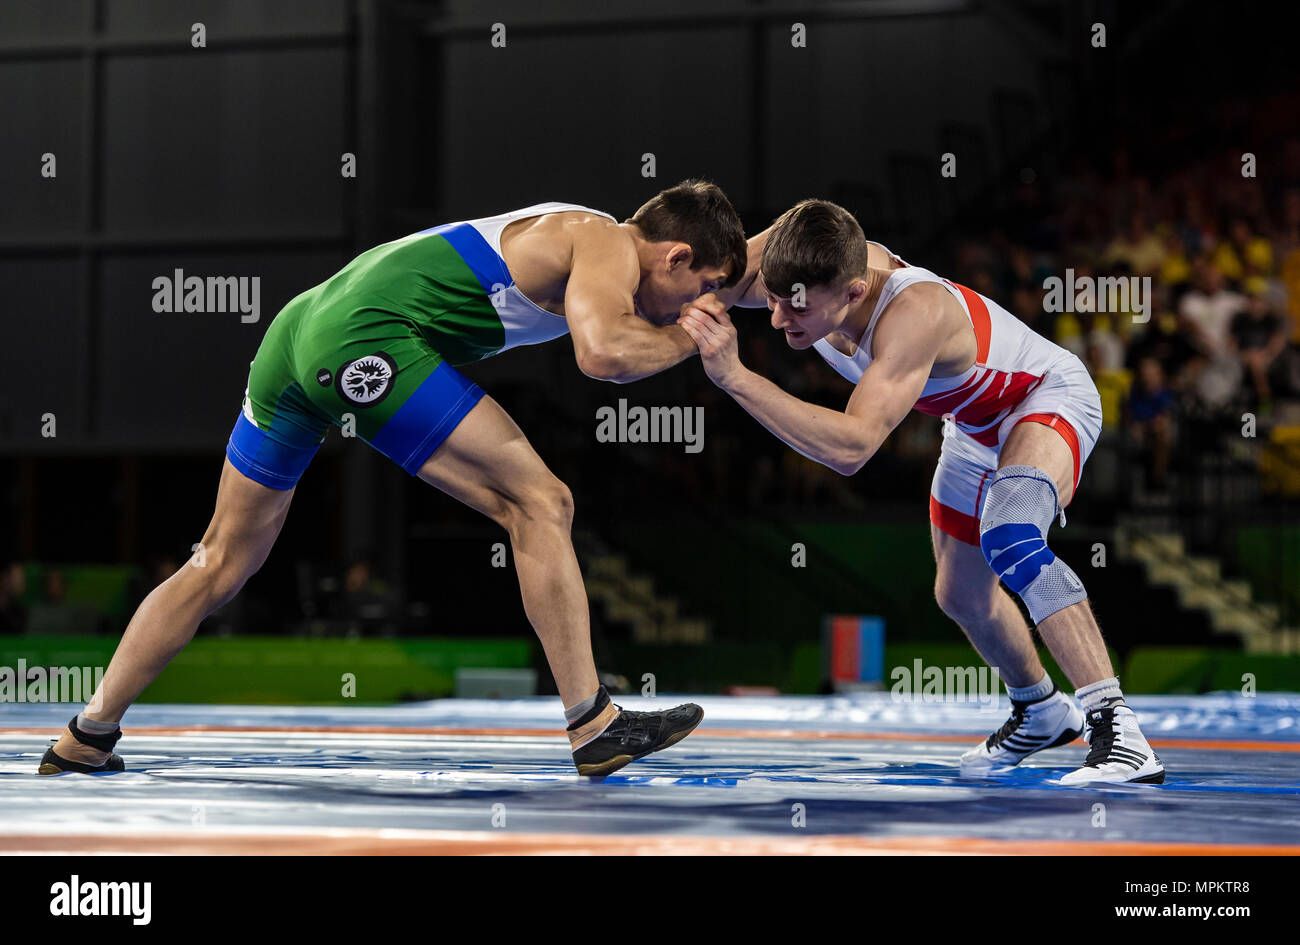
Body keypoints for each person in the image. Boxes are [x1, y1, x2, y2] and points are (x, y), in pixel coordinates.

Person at [40, 180, 748, 778]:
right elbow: (603, 353)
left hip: (295, 334)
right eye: (702, 289)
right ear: (675, 253)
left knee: (217, 557)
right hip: (362, 335)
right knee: (541, 502)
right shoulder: (605, 239)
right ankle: (593, 724)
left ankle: (86, 735)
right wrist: (696, 338)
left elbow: (670, 303)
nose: (697, 307)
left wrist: (737, 290)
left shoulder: (581, 237)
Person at [680, 199, 1165, 785]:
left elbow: (852, 447)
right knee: (960, 594)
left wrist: (733, 376)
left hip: (1043, 399)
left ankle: (1119, 732)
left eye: (796, 306)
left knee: (1011, 537)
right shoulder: (805, 266)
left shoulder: (915, 312)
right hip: (971, 423)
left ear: (856, 292)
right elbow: (722, 271)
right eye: (775, 299)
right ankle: (1039, 709)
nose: (779, 319)